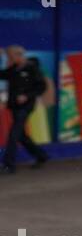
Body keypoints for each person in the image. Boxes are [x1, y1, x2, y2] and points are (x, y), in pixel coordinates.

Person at [1, 45, 50, 174]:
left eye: (11, 57)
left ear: (19, 55)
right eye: (9, 57)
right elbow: (2, 75)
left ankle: (8, 165)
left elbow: (42, 86)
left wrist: (26, 96)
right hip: (15, 107)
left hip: (26, 107)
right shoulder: (14, 69)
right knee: (21, 136)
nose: (9, 59)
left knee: (13, 134)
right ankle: (41, 156)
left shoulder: (32, 68)